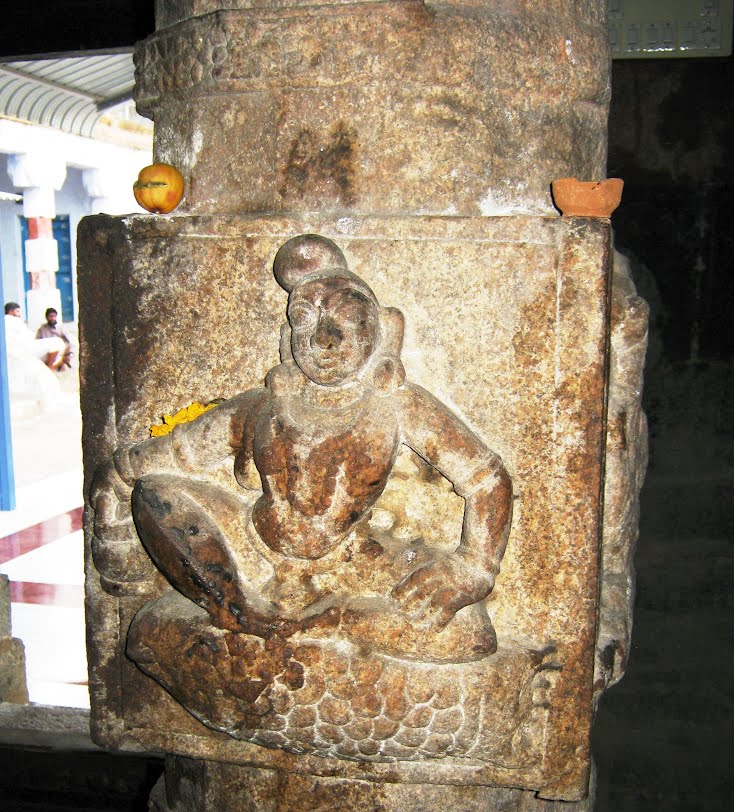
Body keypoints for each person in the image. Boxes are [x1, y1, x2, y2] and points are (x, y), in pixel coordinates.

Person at [91, 235, 513, 664]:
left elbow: (487, 479)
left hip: (350, 559)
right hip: (252, 550)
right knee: (156, 496)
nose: (324, 339)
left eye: (348, 318)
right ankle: (235, 606)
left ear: (383, 329)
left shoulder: (399, 406)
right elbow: (172, 455)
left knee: (470, 633)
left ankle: (336, 619)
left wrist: (475, 566)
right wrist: (115, 487)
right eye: (304, 319)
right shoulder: (262, 407)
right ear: (287, 335)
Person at [2, 302, 60, 405]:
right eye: (18, 311)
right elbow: (29, 336)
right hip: (24, 348)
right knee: (57, 343)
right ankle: (50, 368)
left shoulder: (3, 321)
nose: (19, 313)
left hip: (11, 352)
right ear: (11, 311)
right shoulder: (14, 320)